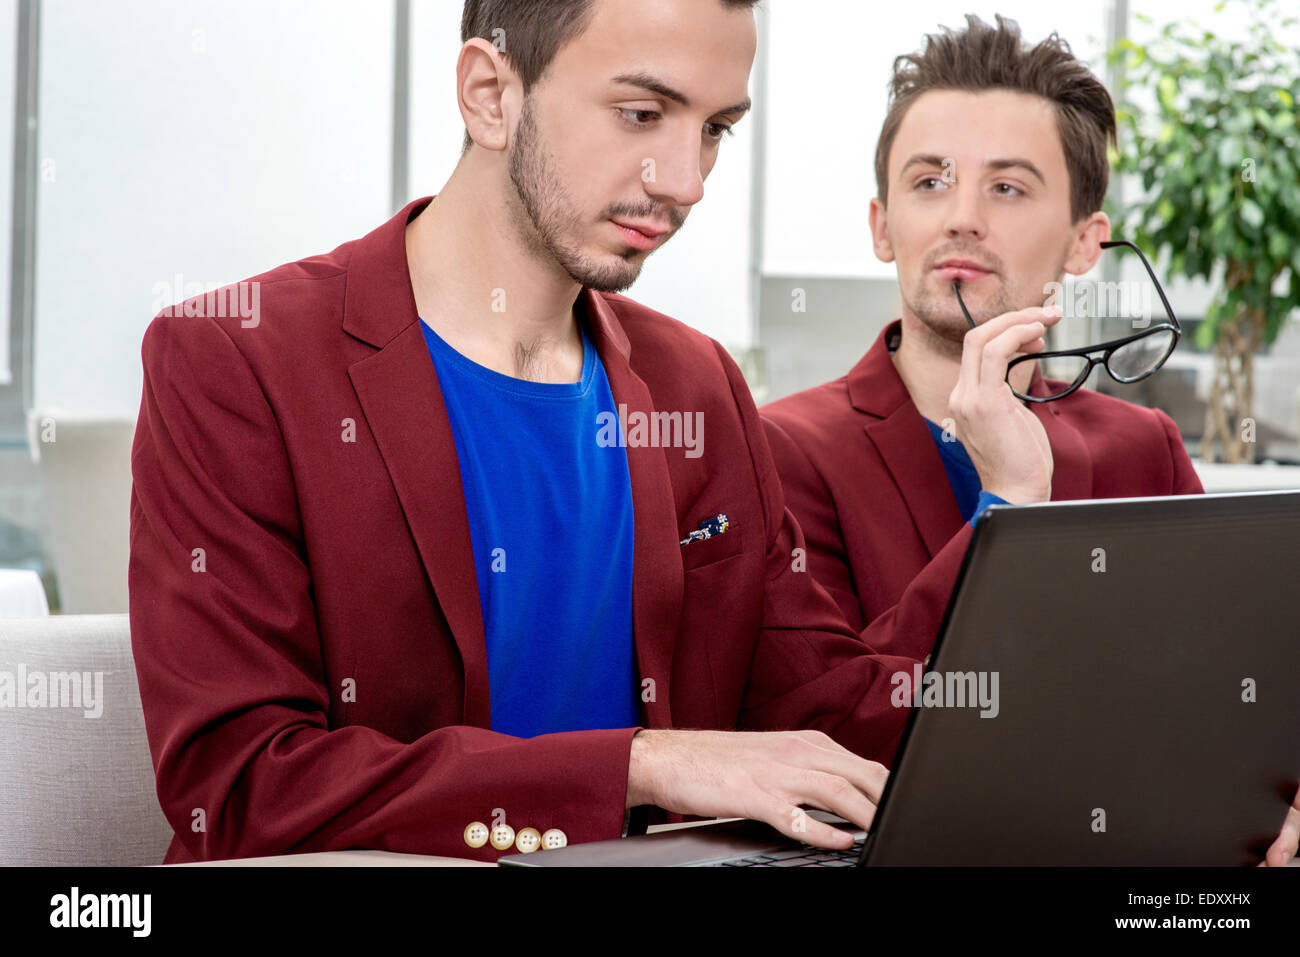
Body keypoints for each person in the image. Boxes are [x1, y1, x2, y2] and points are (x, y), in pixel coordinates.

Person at [128, 0, 958, 865]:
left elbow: (828, 715)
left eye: (715, 129)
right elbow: (238, 791)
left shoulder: (697, 387)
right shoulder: (235, 362)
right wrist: (642, 764)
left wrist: (1012, 517)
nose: (686, 179)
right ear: (490, 94)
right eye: (642, 114)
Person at [760, 13, 1297, 866]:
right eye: (929, 182)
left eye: (1007, 188)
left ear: (1086, 241)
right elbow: (829, 736)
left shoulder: (1143, 450)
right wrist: (1005, 507)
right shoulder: (779, 450)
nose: (962, 217)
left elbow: (1236, 700)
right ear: (880, 224)